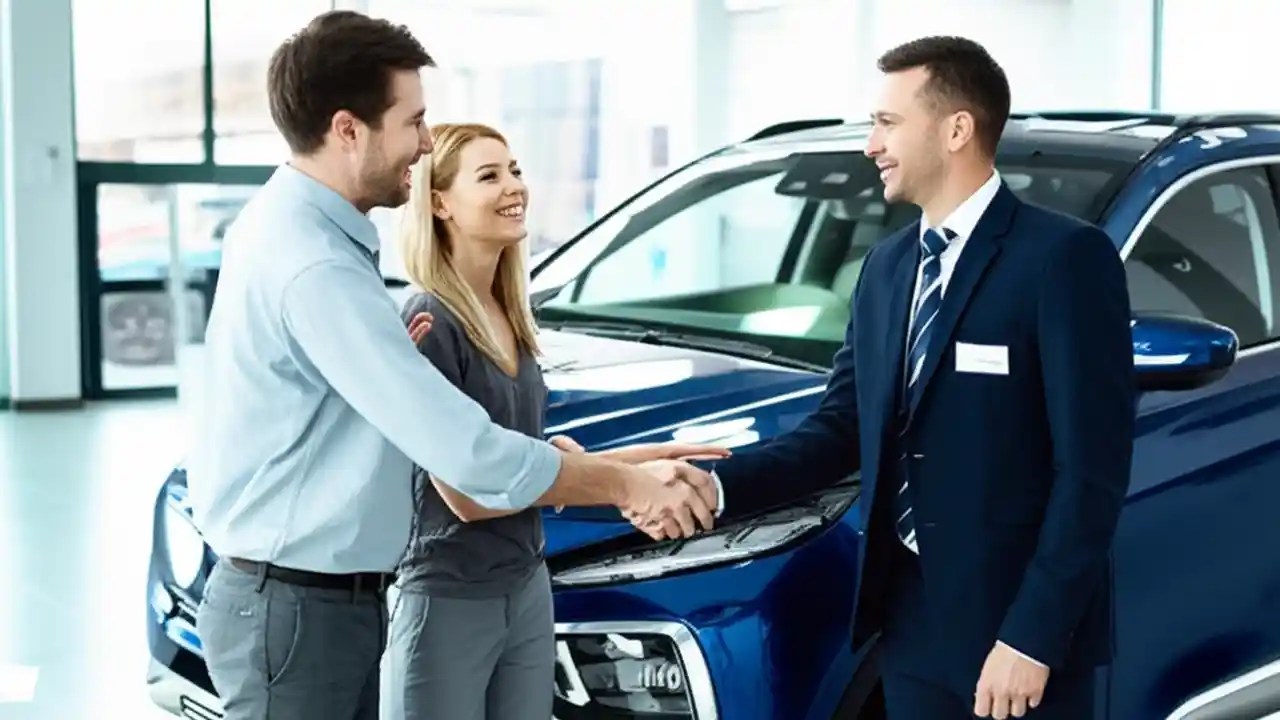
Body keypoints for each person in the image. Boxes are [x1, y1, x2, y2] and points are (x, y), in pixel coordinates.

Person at [187, 12, 718, 720]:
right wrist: (623, 483)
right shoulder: (317, 267)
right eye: (413, 121)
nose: (426, 141)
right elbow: (470, 458)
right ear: (349, 129)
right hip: (301, 611)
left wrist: (619, 464)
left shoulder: (299, 232)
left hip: (315, 602)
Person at [693, 36, 1135, 720]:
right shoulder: (888, 267)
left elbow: (1092, 474)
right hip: (909, 622)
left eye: (887, 122)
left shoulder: (1064, 259)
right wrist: (717, 485)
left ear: (956, 128)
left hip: (1014, 631)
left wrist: (1032, 636)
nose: (871, 144)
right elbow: (841, 429)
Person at [381, 122, 729, 720]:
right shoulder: (431, 320)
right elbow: (470, 491)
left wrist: (648, 462)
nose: (514, 186)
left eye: (514, 170)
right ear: (439, 204)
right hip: (450, 597)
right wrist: (623, 486)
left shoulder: (509, 313)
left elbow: (529, 457)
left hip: (525, 587)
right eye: (489, 176)